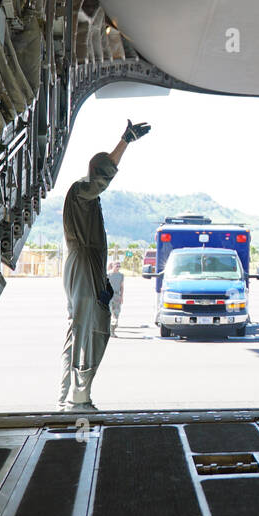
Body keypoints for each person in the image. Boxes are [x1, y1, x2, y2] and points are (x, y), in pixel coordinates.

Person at [59, 119, 151, 411]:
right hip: (84, 266)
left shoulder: (87, 199)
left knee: (82, 328)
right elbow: (102, 176)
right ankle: (79, 398)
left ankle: (68, 395)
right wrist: (124, 142)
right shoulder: (80, 191)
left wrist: (103, 283)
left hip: (88, 268)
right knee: (89, 329)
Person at [107, 260, 125, 333]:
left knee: (117, 313)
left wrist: (121, 297)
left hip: (117, 295)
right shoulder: (108, 274)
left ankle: (113, 329)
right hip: (109, 295)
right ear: (113, 265)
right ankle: (110, 329)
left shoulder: (121, 275)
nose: (118, 267)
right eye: (117, 265)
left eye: (119, 266)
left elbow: (122, 286)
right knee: (109, 312)